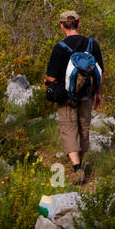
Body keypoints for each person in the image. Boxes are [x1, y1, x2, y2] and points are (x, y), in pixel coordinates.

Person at [45, 10, 104, 185]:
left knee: (69, 128)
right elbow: (100, 71)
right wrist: (98, 93)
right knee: (83, 128)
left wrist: (48, 84)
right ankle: (81, 161)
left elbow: (51, 77)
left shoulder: (59, 48)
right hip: (86, 93)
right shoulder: (92, 45)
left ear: (62, 26)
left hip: (66, 96)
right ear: (79, 23)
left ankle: (77, 168)